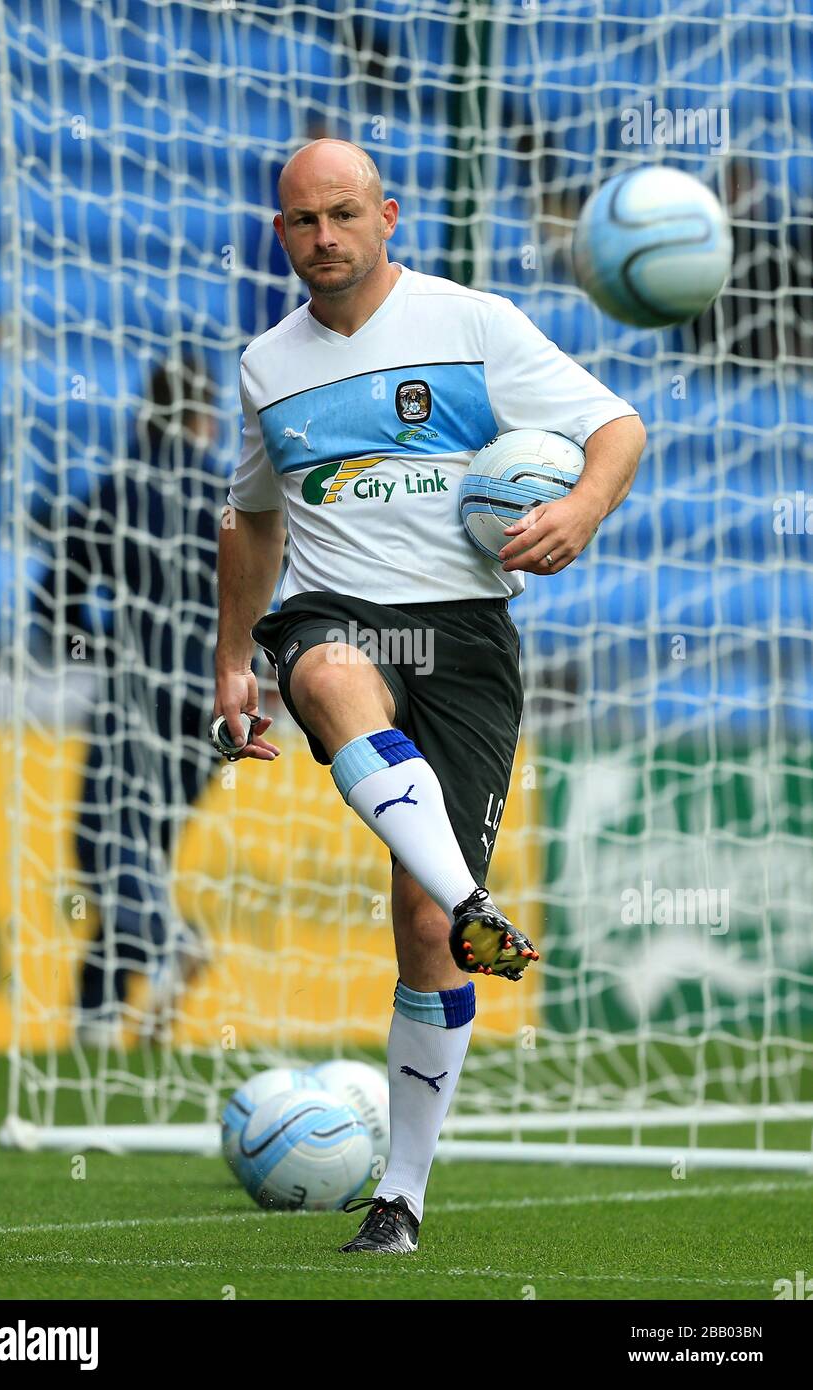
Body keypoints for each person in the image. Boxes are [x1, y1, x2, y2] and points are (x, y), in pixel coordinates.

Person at [212, 140, 646, 1251]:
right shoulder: (267, 364)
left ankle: (399, 1197)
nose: (324, 238)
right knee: (323, 670)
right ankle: (473, 903)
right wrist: (231, 659)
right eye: (303, 221)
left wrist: (582, 508)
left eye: (343, 214)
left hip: (464, 634)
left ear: (387, 216)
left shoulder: (471, 321)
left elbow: (616, 427)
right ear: (281, 233)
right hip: (337, 610)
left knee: (417, 932)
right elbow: (256, 517)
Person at [66, 356, 220, 1043]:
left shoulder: (114, 492)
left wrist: (101, 646)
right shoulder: (225, 495)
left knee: (100, 843)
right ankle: (97, 1016)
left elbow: (55, 605)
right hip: (211, 706)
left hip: (137, 699)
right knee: (142, 857)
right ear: (204, 417)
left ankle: (170, 940)